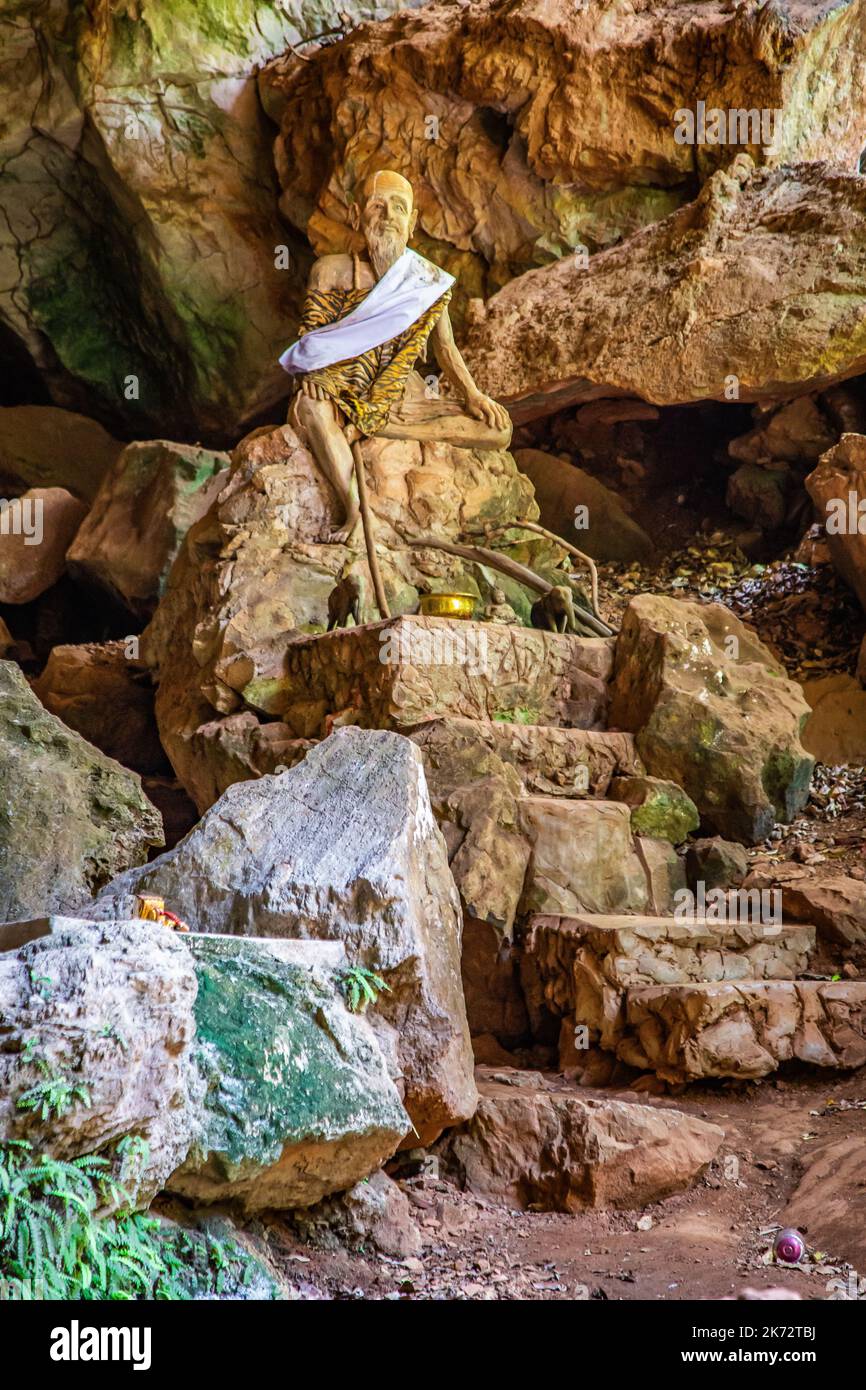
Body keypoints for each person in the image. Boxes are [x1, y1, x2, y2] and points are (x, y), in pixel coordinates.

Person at [279, 169, 512, 541]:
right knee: (311, 407)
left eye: (399, 208)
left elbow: (445, 348)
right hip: (341, 385)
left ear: (412, 221)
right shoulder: (332, 270)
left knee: (498, 429)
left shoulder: (427, 281)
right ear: (356, 216)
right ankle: (356, 511)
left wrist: (473, 394)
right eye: (377, 206)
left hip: (402, 396)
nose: (388, 216)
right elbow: (311, 340)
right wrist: (315, 380)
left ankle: (376, 426)